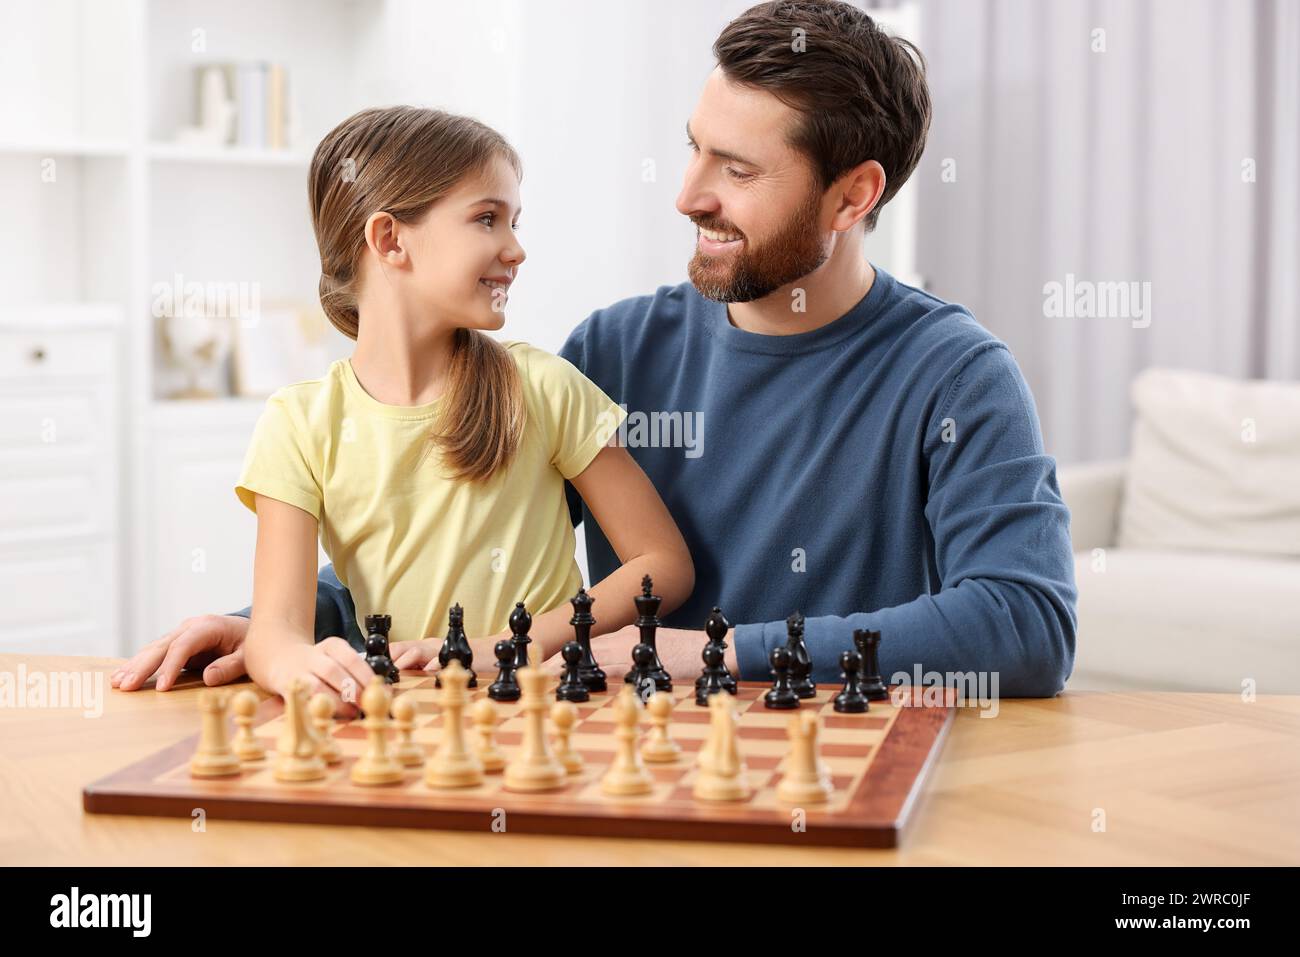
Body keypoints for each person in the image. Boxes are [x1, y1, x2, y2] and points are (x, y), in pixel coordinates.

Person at [115, 0, 1075, 700]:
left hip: (830, 773)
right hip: (624, 760)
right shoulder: (615, 349)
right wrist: (267, 625)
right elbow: (460, 543)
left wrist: (714, 648)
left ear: (854, 195)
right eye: (694, 147)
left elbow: (1026, 627)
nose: (688, 193)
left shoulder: (956, 374)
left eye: (736, 170)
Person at [119, 106, 693, 710]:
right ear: (390, 239)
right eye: (488, 219)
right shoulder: (298, 423)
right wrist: (300, 667)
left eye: (514, 221)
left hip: (543, 714)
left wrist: (514, 644)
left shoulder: (546, 386)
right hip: (402, 721)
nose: (516, 248)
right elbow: (275, 633)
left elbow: (663, 563)